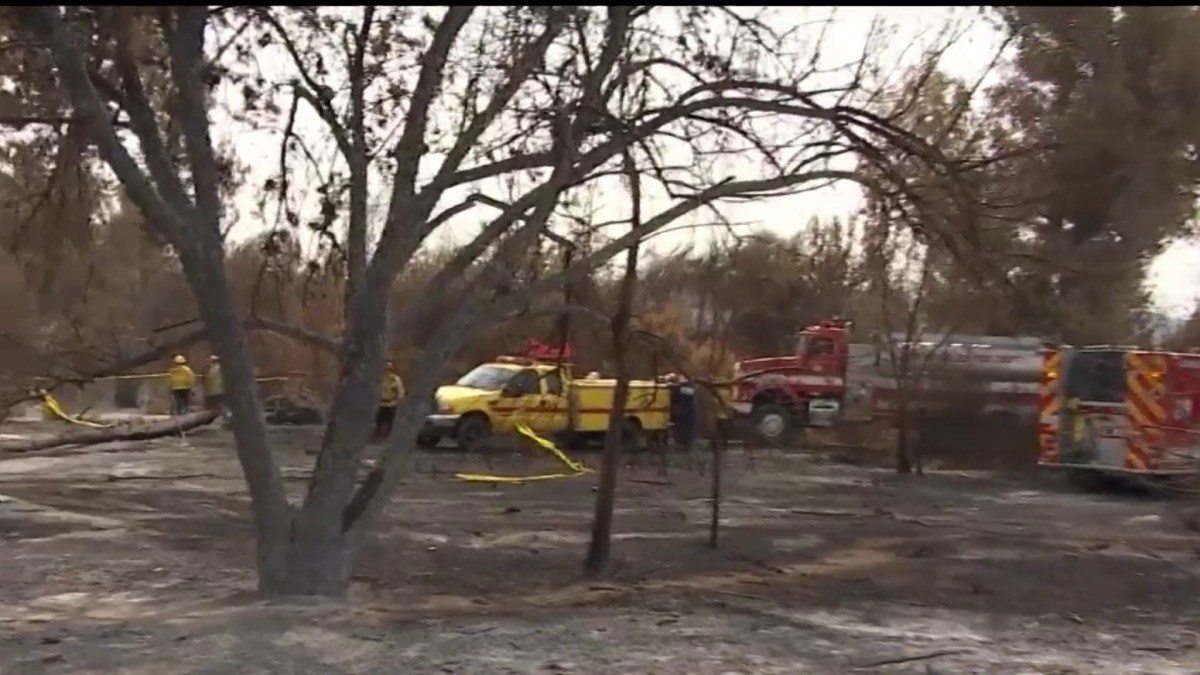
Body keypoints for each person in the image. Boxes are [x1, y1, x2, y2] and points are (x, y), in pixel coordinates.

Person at [667, 373, 699, 453]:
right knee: (689, 429)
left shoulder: (678, 389)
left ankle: (681, 445)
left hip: (681, 411)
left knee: (680, 429)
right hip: (690, 411)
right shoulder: (691, 388)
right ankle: (687, 445)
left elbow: (673, 398)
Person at [374, 361, 405, 441]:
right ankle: (378, 435)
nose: (387, 371)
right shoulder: (380, 378)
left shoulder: (395, 379)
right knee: (379, 420)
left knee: (391, 421)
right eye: (385, 369)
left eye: (388, 369)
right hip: (381, 403)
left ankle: (390, 436)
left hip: (392, 403)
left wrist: (399, 400)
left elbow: (400, 391)